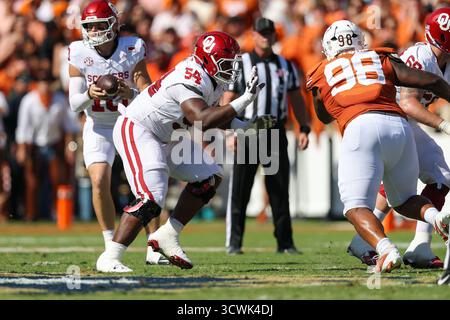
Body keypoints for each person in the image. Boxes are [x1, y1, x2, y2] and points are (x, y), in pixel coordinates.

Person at [95, 30, 271, 272]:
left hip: (167, 135)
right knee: (151, 199)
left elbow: (213, 114)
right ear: (209, 60)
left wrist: (245, 125)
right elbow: (202, 119)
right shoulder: (190, 76)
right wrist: (243, 101)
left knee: (209, 178)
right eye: (226, 62)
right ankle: (110, 256)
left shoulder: (210, 77)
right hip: (139, 129)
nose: (231, 68)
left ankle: (167, 235)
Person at [306, 20, 450, 273]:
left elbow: (324, 115)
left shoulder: (322, 70)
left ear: (328, 47)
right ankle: (436, 218)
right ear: (361, 41)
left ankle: (385, 249)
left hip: (361, 127)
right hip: (399, 126)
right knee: (405, 199)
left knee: (354, 207)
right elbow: (428, 81)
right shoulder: (378, 57)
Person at [347, 7, 450, 269]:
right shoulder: (420, 57)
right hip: (390, 117)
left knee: (417, 181)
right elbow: (408, 104)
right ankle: (419, 244)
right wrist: (444, 125)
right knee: (435, 175)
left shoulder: (444, 62)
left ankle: (408, 244)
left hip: (396, 121)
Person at [67, 0, 167, 266]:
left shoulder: (131, 47)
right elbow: (74, 102)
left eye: (101, 24)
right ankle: (110, 244)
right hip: (98, 124)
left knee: (145, 183)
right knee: (99, 180)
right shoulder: (78, 52)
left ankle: (154, 245)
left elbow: (148, 94)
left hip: (129, 121)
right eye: (91, 26)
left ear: (114, 24)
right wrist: (89, 93)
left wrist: (130, 92)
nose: (96, 30)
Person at [222, 17, 311, 255]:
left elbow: (296, 98)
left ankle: (285, 243)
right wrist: (230, 131)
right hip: (247, 130)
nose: (265, 37)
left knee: (279, 189)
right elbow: (228, 99)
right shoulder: (241, 63)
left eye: (269, 33)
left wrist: (303, 126)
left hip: (275, 131)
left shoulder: (286, 65)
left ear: (274, 35)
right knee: (241, 189)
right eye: (261, 33)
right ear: (254, 35)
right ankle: (234, 243)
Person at [16, 69, 79, 221]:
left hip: (54, 144)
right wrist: (22, 150)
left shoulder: (59, 100)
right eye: (42, 82)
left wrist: (69, 147)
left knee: (57, 179)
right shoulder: (28, 101)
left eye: (48, 82)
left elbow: (69, 126)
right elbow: (24, 128)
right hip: (34, 145)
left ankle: (56, 213)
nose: (45, 86)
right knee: (32, 181)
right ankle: (31, 214)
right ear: (36, 84)